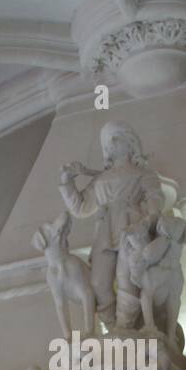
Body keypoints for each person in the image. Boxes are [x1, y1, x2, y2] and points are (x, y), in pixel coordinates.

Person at [58, 121, 165, 328]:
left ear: (130, 143)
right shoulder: (100, 179)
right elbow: (80, 208)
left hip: (131, 228)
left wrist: (146, 224)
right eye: (107, 141)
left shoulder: (145, 174)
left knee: (127, 279)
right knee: (98, 282)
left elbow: (155, 202)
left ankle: (124, 329)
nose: (110, 144)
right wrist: (67, 181)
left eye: (116, 138)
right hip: (104, 232)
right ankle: (112, 327)